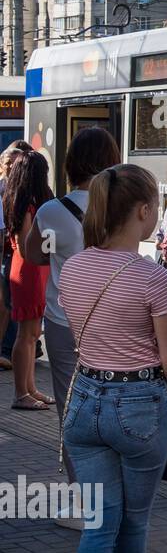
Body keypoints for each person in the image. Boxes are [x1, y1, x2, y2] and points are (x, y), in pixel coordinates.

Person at [60, 164, 167, 553]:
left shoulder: (74, 267)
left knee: (98, 527)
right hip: (139, 404)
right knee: (133, 525)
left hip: (84, 403)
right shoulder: (152, 276)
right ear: (142, 210)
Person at [25, 127, 121, 423]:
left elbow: (33, 254)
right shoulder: (120, 208)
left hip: (63, 319)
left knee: (69, 403)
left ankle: (74, 454)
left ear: (71, 162)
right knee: (113, 399)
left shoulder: (50, 211)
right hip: (114, 318)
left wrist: (62, 253)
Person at [5, 150, 54, 410]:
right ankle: (20, 393)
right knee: (26, 334)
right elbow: (25, 248)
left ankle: (30, 388)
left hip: (35, 269)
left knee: (33, 334)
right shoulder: (25, 205)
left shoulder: (26, 201)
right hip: (29, 270)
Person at [0, 141, 33, 372]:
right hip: (8, 254)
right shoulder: (4, 189)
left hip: (13, 254)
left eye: (15, 163)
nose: (11, 167)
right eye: (7, 163)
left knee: (8, 305)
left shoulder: (25, 191)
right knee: (5, 304)